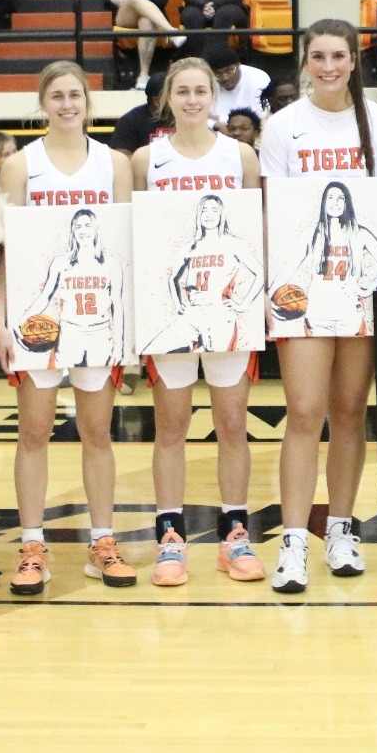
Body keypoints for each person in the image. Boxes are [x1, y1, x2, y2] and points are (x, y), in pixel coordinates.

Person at [257, 20, 377, 593]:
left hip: (366, 284)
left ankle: (342, 529)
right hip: (302, 288)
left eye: (338, 56)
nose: (328, 66)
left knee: (349, 412)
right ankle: (294, 540)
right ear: (305, 62)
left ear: (353, 61)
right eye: (317, 56)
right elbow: (276, 214)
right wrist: (274, 290)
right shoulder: (283, 127)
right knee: (303, 411)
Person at [0, 62, 137, 595]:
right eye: (56, 96)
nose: (67, 104)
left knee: (97, 433)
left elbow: (121, 250)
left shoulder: (113, 164)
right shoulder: (19, 166)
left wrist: (128, 321)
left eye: (75, 95)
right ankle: (32, 546)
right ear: (43, 103)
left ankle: (103, 542)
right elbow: (10, 251)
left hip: (97, 316)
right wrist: (2, 316)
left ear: (88, 101)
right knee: (33, 433)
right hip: (39, 317)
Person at [129, 59, 265, 587]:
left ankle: (235, 534)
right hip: (173, 313)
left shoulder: (241, 154)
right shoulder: (147, 159)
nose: (191, 99)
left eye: (200, 91)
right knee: (172, 427)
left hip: (228, 317)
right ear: (167, 98)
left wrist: (246, 301)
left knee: (232, 425)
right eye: (182, 91)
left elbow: (254, 233)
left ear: (214, 97)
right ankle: (171, 538)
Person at [204, 45, 273, 121]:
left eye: (229, 70)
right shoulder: (207, 79)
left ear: (239, 65)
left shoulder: (259, 78)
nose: (225, 78)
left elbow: (261, 116)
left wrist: (218, 119)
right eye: (218, 74)